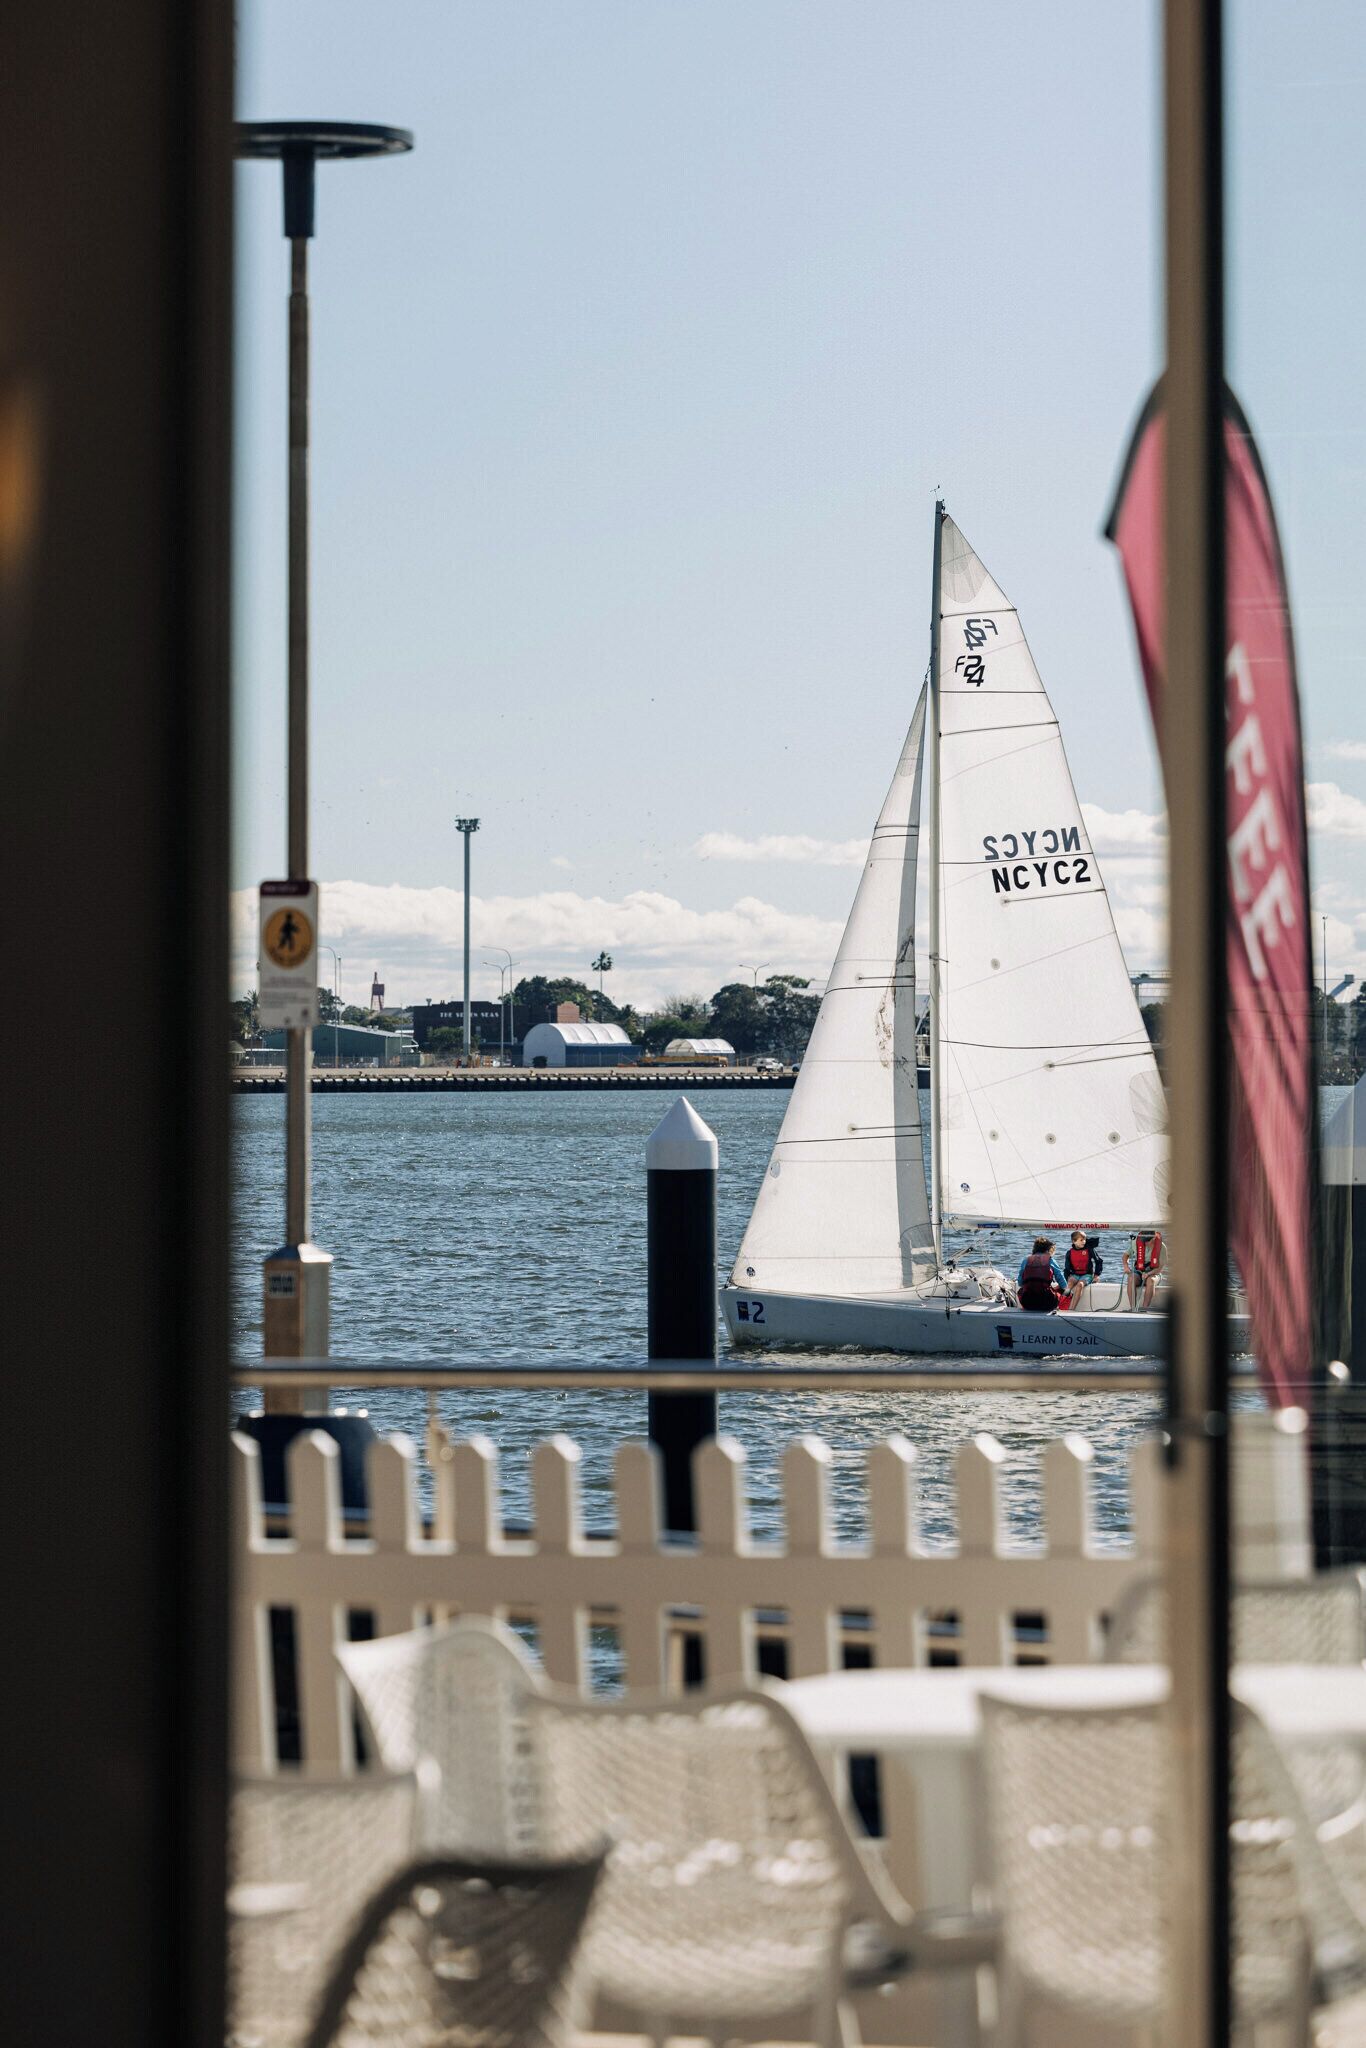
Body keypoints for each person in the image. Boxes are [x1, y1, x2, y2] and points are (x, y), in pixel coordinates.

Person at [1016, 1237, 1064, 1312]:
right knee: (1063, 1290)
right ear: (1048, 1250)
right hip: (1047, 1302)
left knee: (1020, 1291)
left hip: (1027, 1303)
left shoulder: (1026, 1260)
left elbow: (1020, 1282)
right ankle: (1060, 1309)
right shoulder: (1051, 1260)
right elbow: (1062, 1283)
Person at [1059, 1229, 1102, 1311]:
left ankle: (1071, 1309)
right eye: (1081, 1240)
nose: (1084, 1242)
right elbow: (1067, 1268)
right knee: (1069, 1283)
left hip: (1087, 1275)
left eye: (1085, 1239)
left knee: (1080, 1285)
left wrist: (1096, 1275)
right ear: (1074, 1241)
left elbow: (1098, 1261)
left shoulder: (1089, 1250)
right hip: (1075, 1274)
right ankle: (1060, 1305)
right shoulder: (1069, 1253)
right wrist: (1066, 1278)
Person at [1123, 1228, 1165, 1310]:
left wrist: (1148, 1274)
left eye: (1147, 1242)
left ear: (1153, 1239)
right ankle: (1133, 1309)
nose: (1145, 1243)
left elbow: (1160, 1268)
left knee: (1151, 1280)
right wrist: (1126, 1266)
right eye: (1143, 1241)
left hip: (1154, 1273)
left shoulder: (1162, 1247)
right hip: (1139, 1271)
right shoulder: (1136, 1242)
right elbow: (1125, 1256)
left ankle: (1145, 1309)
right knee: (1131, 1278)